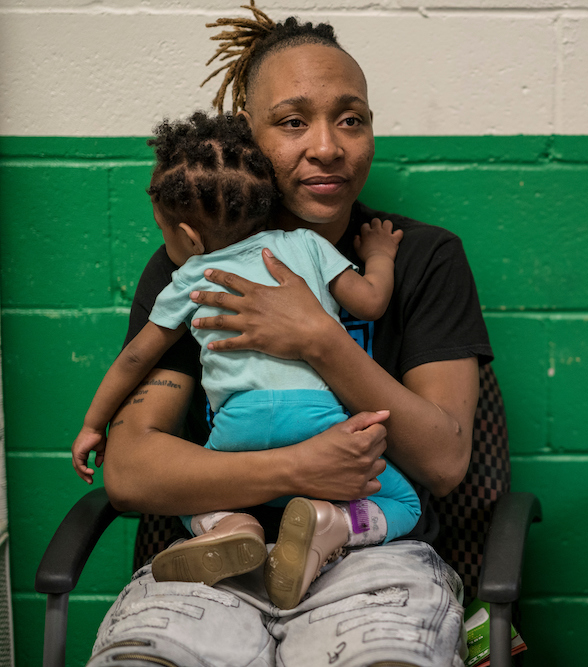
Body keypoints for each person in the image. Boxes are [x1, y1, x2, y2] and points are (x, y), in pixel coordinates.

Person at [90, 1, 492, 665]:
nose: (328, 146)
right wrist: (293, 469)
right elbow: (129, 471)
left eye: (351, 119)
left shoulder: (420, 257)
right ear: (250, 135)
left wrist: (318, 338)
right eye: (293, 121)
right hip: (218, 561)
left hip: (372, 556)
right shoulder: (194, 266)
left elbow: (445, 461)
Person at [70, 111, 420, 611]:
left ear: (188, 238)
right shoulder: (305, 244)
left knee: (193, 493)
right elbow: (369, 302)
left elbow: (134, 360)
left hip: (238, 427)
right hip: (317, 422)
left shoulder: (189, 276)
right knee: (403, 502)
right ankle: (332, 524)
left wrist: (92, 423)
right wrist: (381, 255)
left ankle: (232, 526)